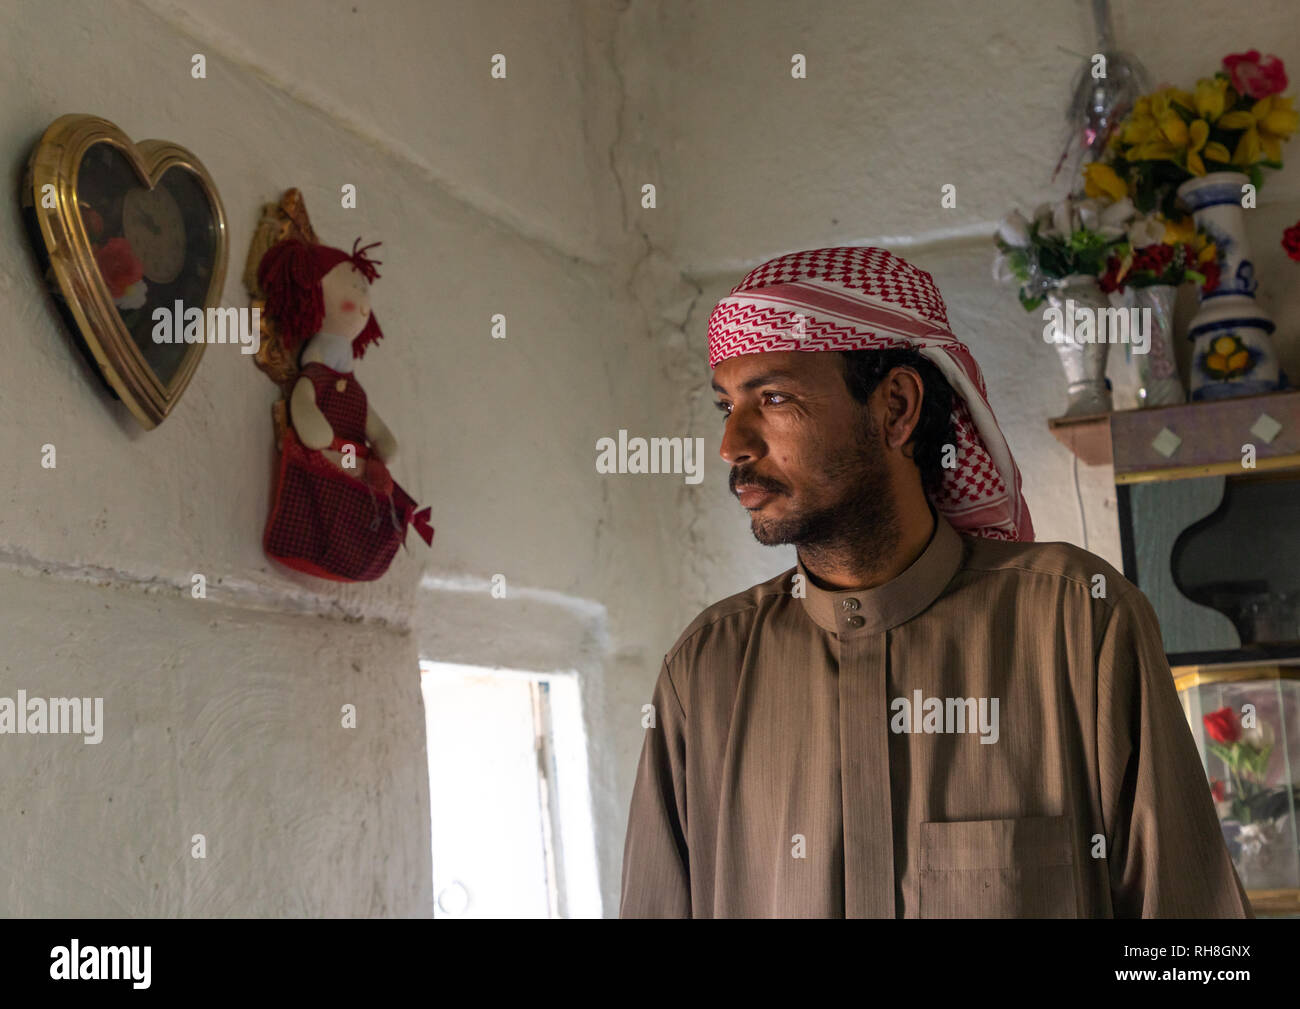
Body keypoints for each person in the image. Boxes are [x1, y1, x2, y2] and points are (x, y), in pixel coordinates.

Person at [619, 246, 1250, 918]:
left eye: (772, 398)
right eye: (726, 406)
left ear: (895, 407)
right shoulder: (705, 671)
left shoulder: (1077, 625)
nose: (732, 446)